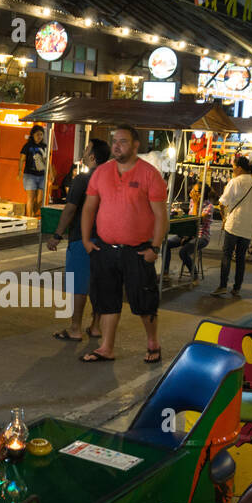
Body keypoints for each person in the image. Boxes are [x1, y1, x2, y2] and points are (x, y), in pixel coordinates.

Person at [79, 125, 167, 364]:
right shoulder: (101, 172)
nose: (117, 145)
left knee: (144, 300)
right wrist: (87, 241)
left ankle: (152, 342)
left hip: (138, 250)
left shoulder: (149, 174)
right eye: (115, 141)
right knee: (107, 299)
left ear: (136, 145)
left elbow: (161, 215)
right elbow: (89, 208)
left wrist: (155, 248)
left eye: (123, 141)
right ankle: (107, 347)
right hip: (105, 248)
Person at [48, 138, 110, 341]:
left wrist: (57, 235)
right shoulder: (111, 180)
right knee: (100, 284)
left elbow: (70, 209)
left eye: (86, 149)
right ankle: (95, 326)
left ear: (92, 156)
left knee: (79, 285)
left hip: (82, 239)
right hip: (106, 239)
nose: (83, 152)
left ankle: (75, 328)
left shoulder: (82, 180)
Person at [212, 155, 252, 298]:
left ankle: (222, 286)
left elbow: (222, 202)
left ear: (239, 168)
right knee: (240, 258)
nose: (232, 169)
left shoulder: (235, 182)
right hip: (249, 226)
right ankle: (237, 288)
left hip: (234, 225)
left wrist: (224, 215)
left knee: (227, 255)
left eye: (233, 167)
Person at [19, 125, 48, 218]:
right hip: (30, 175)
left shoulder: (44, 146)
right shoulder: (27, 146)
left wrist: (50, 173)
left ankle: (32, 215)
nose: (39, 136)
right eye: (37, 134)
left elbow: (47, 161)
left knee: (40, 200)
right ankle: (29, 218)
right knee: (31, 198)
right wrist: (19, 171)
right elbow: (22, 159)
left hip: (42, 175)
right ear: (33, 135)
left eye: (41, 134)